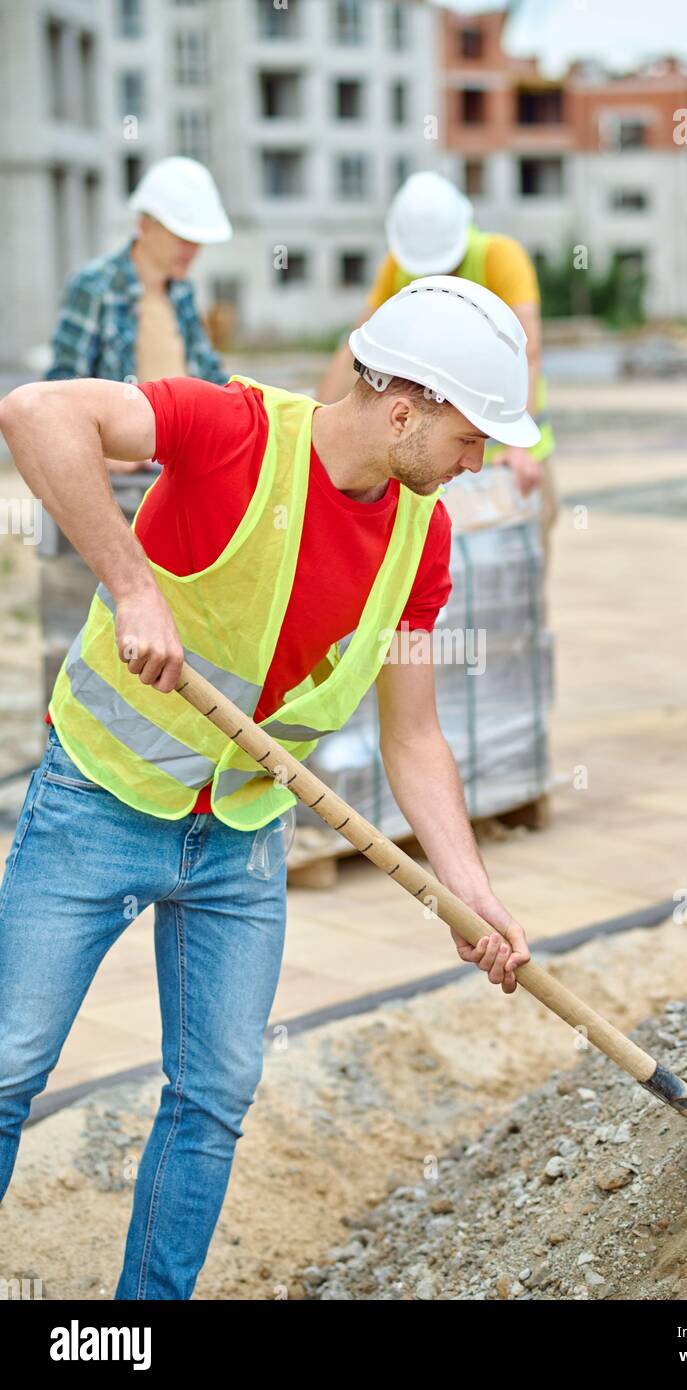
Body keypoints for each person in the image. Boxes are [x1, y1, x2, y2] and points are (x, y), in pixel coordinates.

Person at [0, 276, 536, 1301]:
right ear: (402, 406)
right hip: (99, 804)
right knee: (8, 1069)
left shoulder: (424, 536)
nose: (484, 463)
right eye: (472, 437)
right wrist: (132, 582)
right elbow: (36, 413)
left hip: (242, 835)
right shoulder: (233, 429)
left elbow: (414, 737)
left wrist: (471, 893)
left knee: (213, 1098)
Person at [318, 171, 558, 560]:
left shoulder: (498, 256)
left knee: (515, 560)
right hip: (435, 449)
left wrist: (518, 448)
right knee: (439, 563)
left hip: (511, 447)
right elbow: (358, 345)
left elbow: (529, 353)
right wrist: (321, 421)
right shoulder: (401, 266)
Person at [45, 156, 232, 473]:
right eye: (181, 237)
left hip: (183, 464)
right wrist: (105, 457)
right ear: (145, 225)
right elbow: (61, 391)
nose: (192, 249)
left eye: (197, 240)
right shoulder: (94, 287)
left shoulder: (182, 292)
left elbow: (211, 378)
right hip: (126, 477)